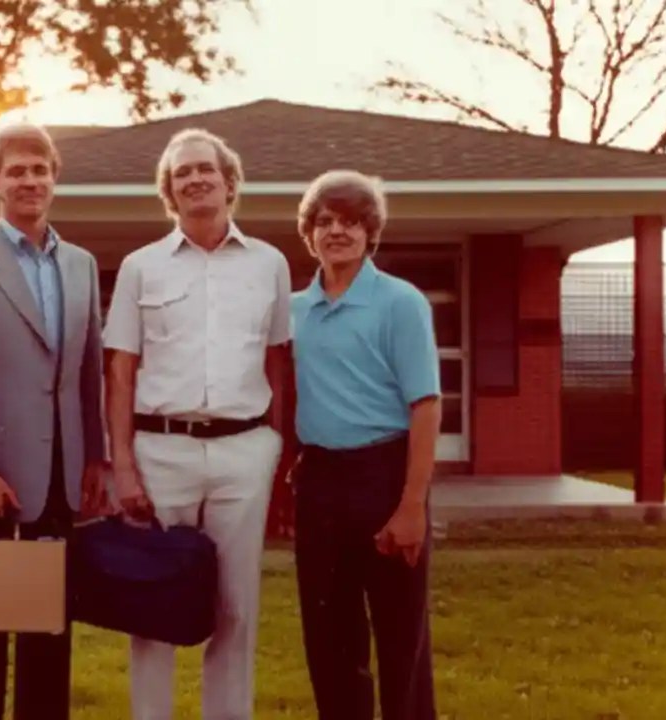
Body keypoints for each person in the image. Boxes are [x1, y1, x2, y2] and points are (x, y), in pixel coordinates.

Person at [102, 127, 292, 720]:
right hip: (162, 453)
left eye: (204, 169)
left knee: (237, 609)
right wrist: (123, 465)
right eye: (181, 174)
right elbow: (120, 371)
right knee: (152, 604)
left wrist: (278, 451)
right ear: (170, 192)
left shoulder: (270, 264)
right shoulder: (140, 267)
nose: (194, 179)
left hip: (244, 452)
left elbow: (279, 361)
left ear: (229, 182)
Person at [0, 119, 107, 720]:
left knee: (49, 633)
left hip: (61, 473)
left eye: (39, 169)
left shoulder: (81, 264)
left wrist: (96, 456)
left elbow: (87, 369)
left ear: (54, 179)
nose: (29, 180)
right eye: (16, 171)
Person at [290, 169, 440, 720]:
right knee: (330, 637)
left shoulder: (401, 303)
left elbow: (425, 405)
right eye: (325, 221)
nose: (337, 232)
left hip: (385, 474)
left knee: (402, 637)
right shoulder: (293, 310)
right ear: (309, 233)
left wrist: (412, 505)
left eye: (351, 222)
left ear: (370, 232)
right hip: (321, 481)